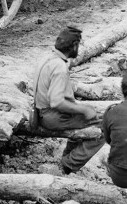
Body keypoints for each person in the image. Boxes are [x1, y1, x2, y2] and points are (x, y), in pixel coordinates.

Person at [34, 26, 105, 175]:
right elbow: (56, 102)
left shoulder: (47, 59)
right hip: (51, 116)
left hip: (40, 112)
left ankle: (68, 157)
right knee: (103, 128)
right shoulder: (59, 67)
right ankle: (68, 164)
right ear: (74, 46)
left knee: (84, 116)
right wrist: (84, 110)